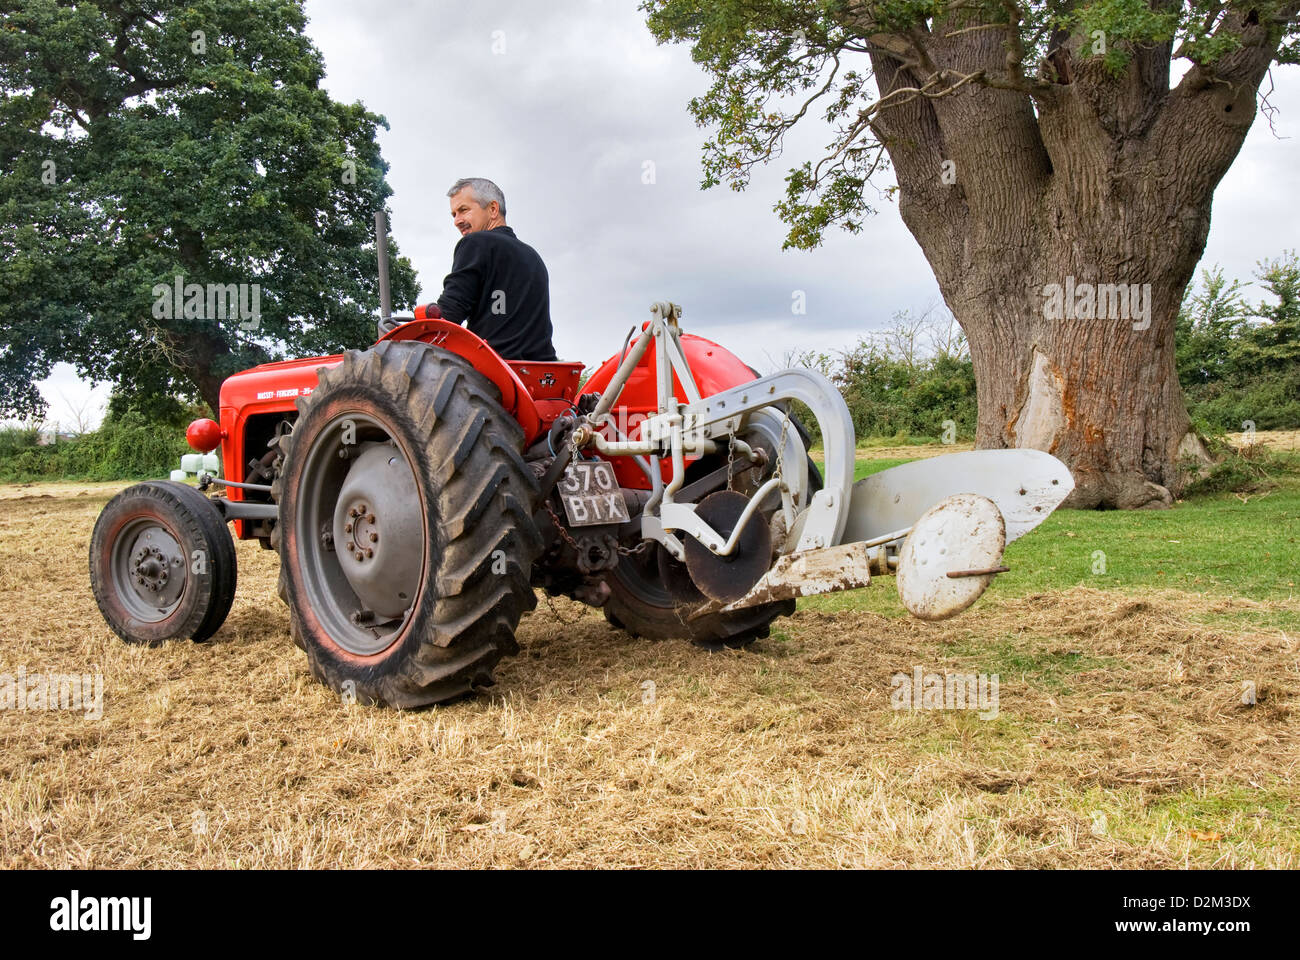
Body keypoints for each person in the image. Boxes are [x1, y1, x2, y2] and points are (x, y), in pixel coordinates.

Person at [412, 178, 557, 362]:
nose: (457, 221)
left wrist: (421, 328)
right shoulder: (534, 257)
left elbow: (450, 314)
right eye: (454, 214)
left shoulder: (476, 243)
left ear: (493, 209)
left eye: (463, 210)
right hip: (542, 370)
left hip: (492, 368)